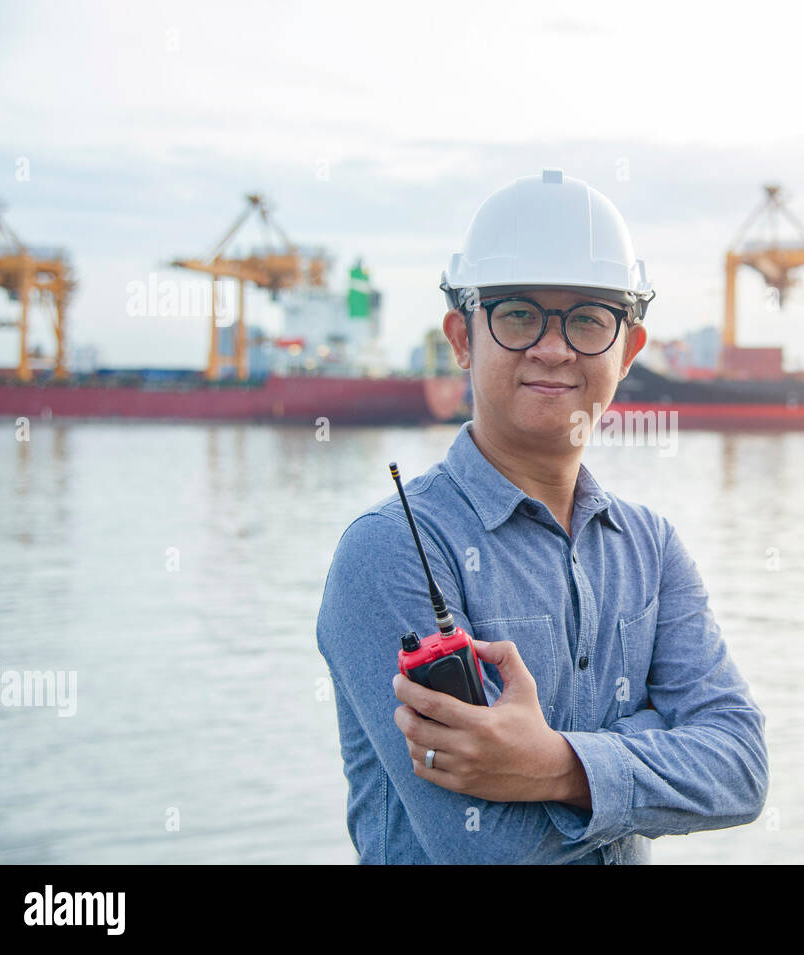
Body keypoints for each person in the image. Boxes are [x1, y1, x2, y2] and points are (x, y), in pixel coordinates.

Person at [316, 169, 768, 864]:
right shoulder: (393, 551)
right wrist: (653, 743)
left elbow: (740, 766)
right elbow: (483, 845)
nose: (553, 348)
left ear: (628, 349)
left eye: (588, 318)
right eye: (518, 314)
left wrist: (555, 762)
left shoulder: (650, 546)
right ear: (462, 338)